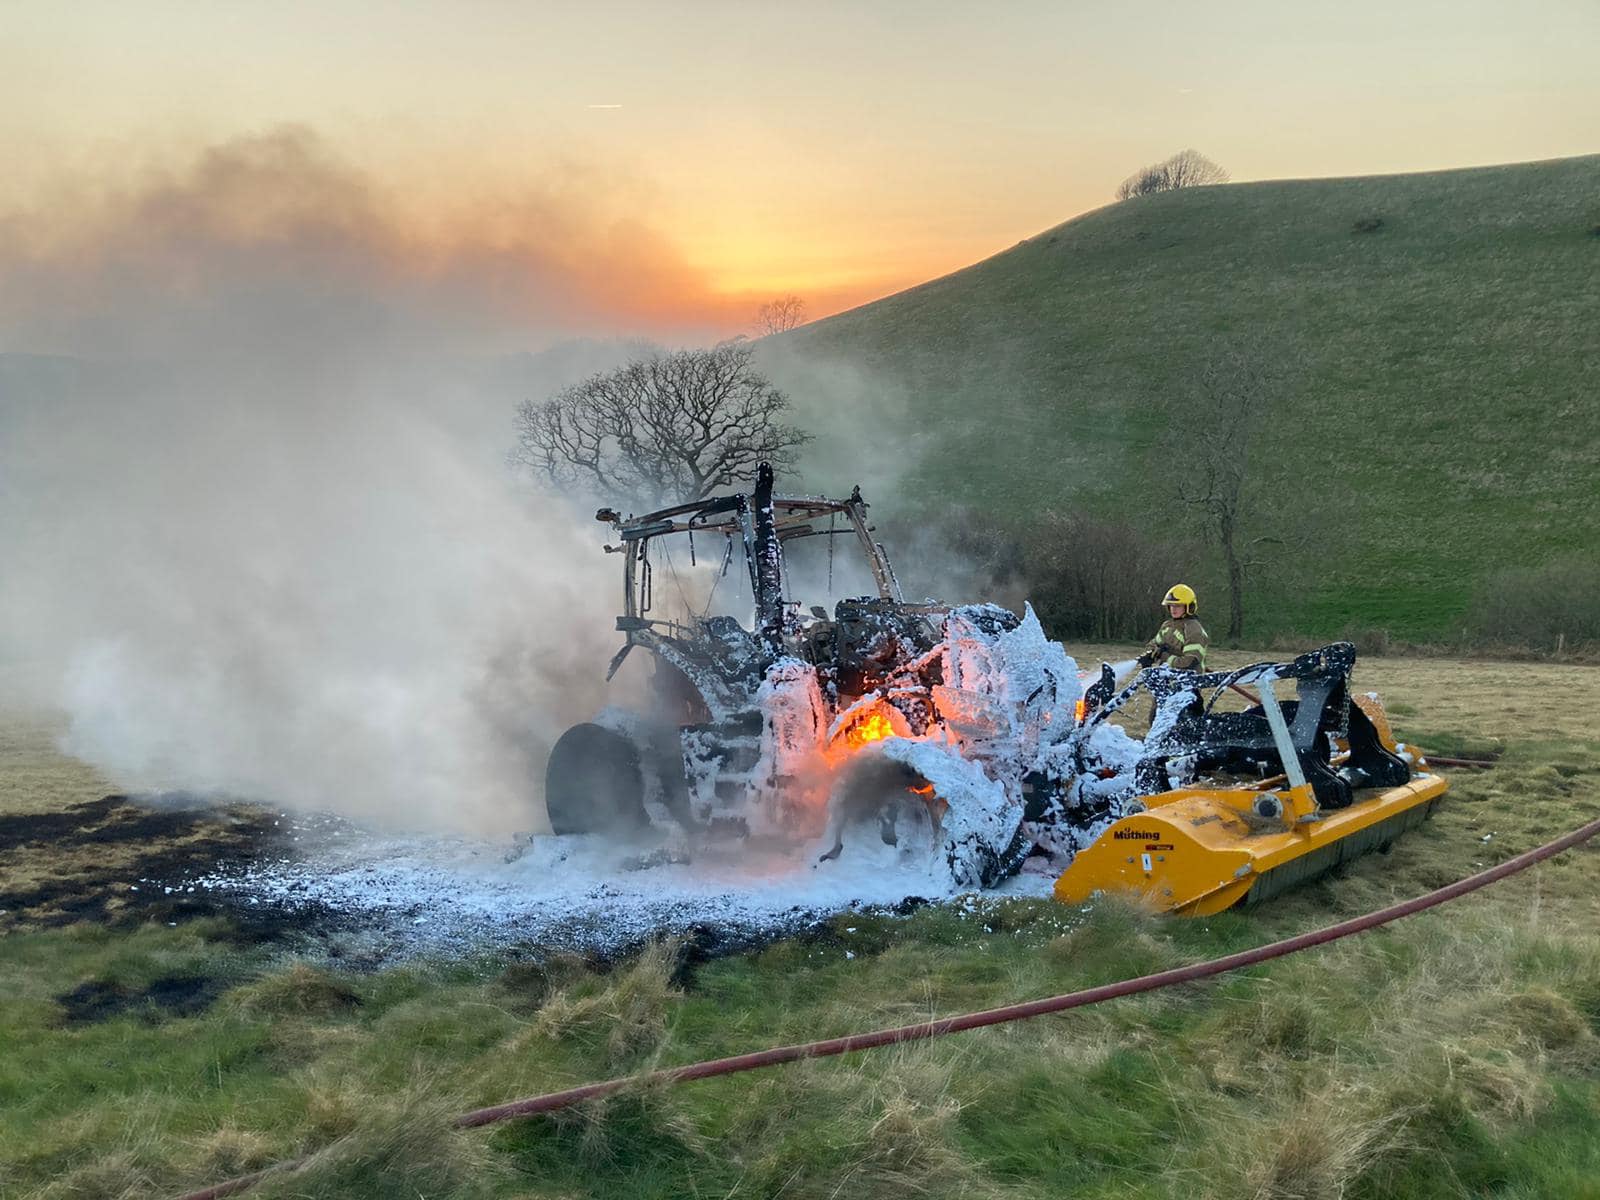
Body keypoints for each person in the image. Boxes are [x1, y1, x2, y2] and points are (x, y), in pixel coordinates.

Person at [1137, 584, 1209, 672]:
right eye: (1171, 605)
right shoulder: (1167, 626)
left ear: (1189, 607)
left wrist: (1164, 656)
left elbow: (1188, 663)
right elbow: (1153, 644)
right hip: (1166, 676)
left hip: (1187, 678)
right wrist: (1151, 654)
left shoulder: (1194, 630)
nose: (1173, 609)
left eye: (1178, 606)